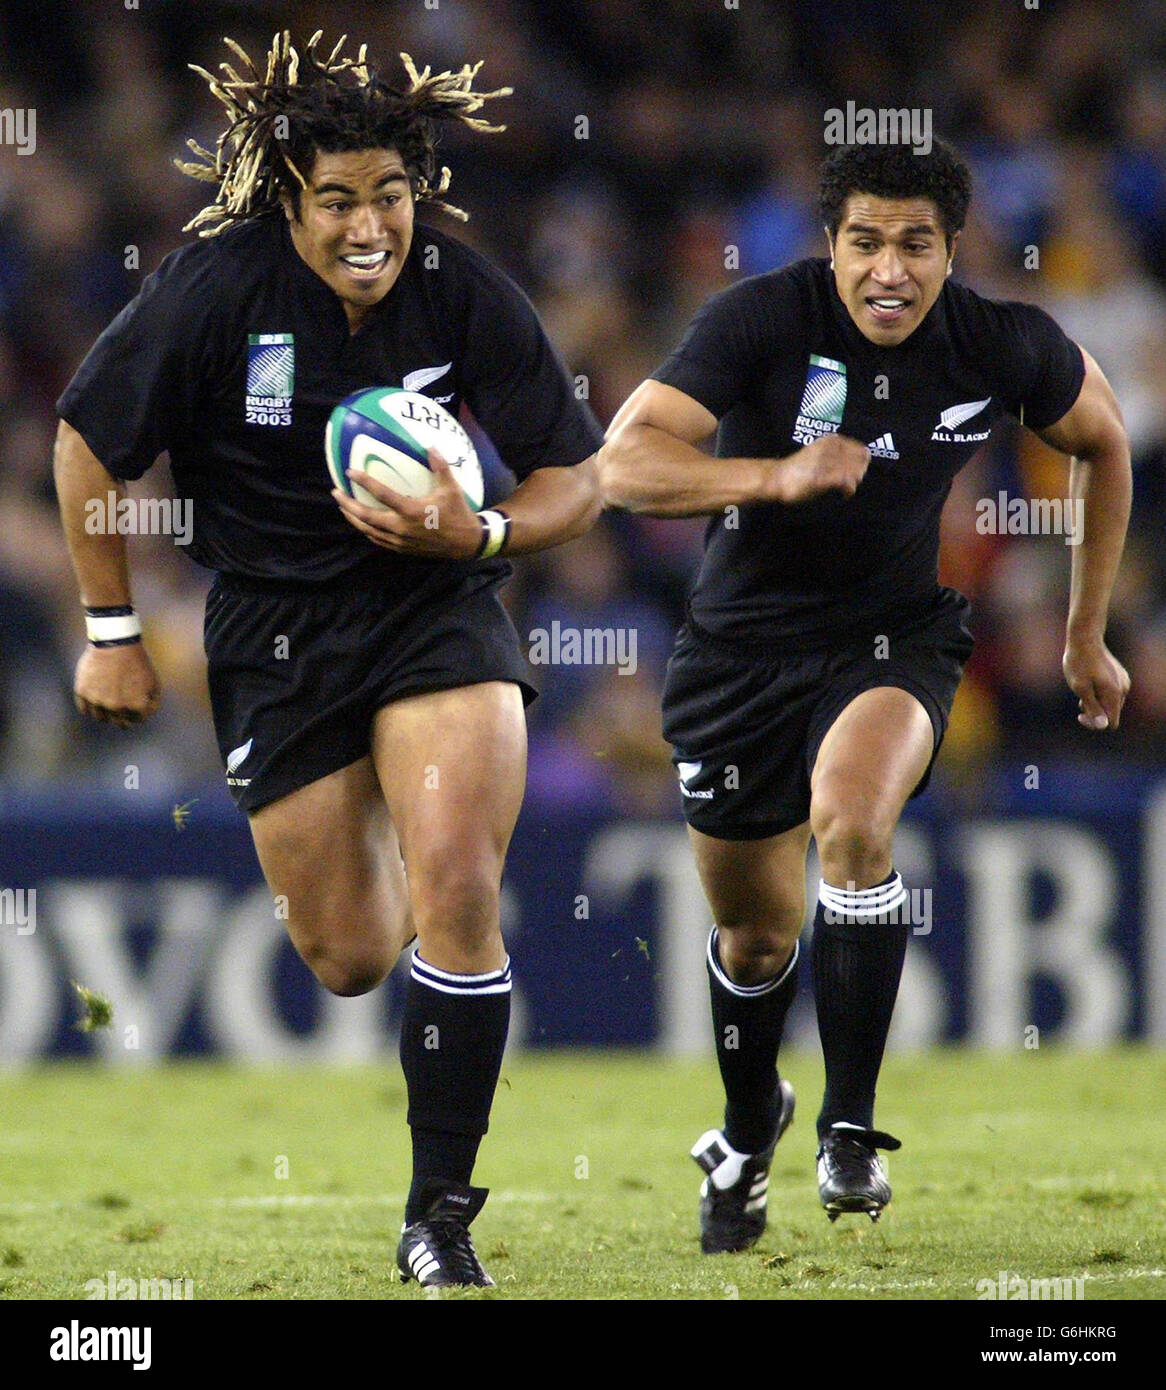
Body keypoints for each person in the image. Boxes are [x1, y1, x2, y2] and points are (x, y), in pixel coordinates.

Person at [54, 31, 601, 1288]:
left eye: (390, 196)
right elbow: (87, 444)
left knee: (458, 878)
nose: (370, 225)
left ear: (418, 194)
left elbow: (586, 476)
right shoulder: (210, 290)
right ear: (289, 201)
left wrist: (490, 530)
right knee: (350, 955)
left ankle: (438, 1220)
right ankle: (438, 973)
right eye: (339, 200)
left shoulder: (460, 293)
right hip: (273, 632)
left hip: (434, 605)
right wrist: (113, 632)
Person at [598, 141, 1130, 1251]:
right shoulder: (758, 321)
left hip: (892, 640)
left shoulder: (999, 343)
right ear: (828, 246)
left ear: (951, 250)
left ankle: (848, 1124)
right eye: (865, 243)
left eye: (915, 245)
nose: (888, 269)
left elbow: (1102, 441)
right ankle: (750, 1131)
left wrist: (1084, 633)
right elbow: (626, 462)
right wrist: (769, 475)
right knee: (752, 937)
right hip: (735, 656)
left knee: (849, 822)